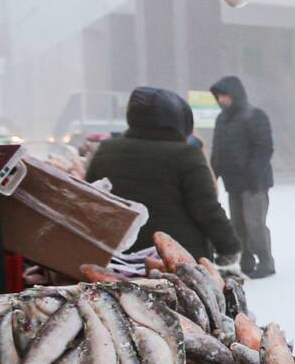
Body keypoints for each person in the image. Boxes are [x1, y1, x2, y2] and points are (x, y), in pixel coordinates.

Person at [84, 87, 242, 265]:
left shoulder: (107, 150)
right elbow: (206, 207)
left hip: (120, 257)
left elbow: (89, 199)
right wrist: (228, 246)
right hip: (176, 258)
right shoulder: (186, 154)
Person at [209, 74, 275, 278]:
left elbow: (264, 148)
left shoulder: (255, 115)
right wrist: (213, 173)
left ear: (235, 95)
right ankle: (246, 261)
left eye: (225, 96)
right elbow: (218, 149)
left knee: (254, 225)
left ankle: (266, 262)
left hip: (254, 183)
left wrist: (254, 174)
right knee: (238, 226)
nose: (221, 100)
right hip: (233, 182)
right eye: (219, 97)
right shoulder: (222, 119)